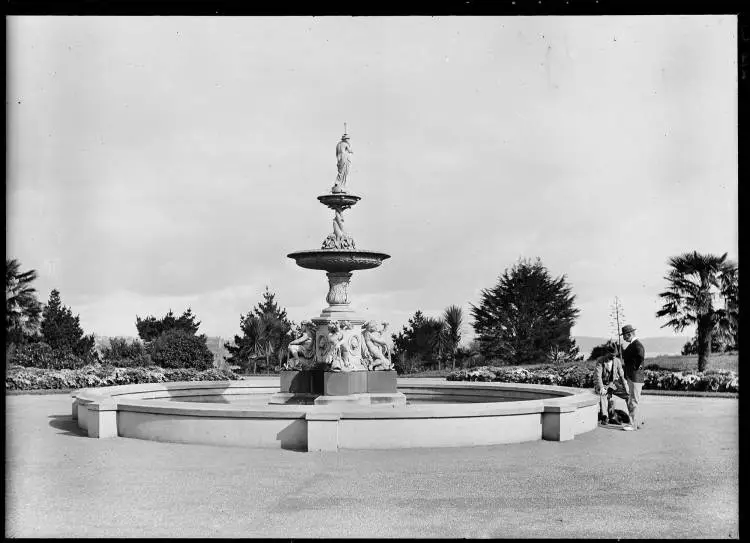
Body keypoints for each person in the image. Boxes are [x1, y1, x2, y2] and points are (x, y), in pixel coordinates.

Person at [593, 343, 629, 425]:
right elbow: (597, 376)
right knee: (604, 395)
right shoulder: (600, 361)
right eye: (612, 355)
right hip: (601, 385)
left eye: (615, 355)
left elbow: (622, 376)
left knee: (628, 395)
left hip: (612, 384)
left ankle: (632, 416)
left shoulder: (617, 361)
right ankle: (605, 417)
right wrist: (601, 387)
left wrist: (626, 387)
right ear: (607, 353)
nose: (613, 356)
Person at [621, 324, 646, 431]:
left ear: (629, 334)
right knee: (632, 400)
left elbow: (641, 355)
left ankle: (633, 425)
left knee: (633, 401)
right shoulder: (632, 344)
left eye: (625, 336)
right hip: (632, 377)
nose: (623, 338)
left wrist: (636, 366)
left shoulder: (637, 345)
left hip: (635, 377)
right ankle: (634, 422)